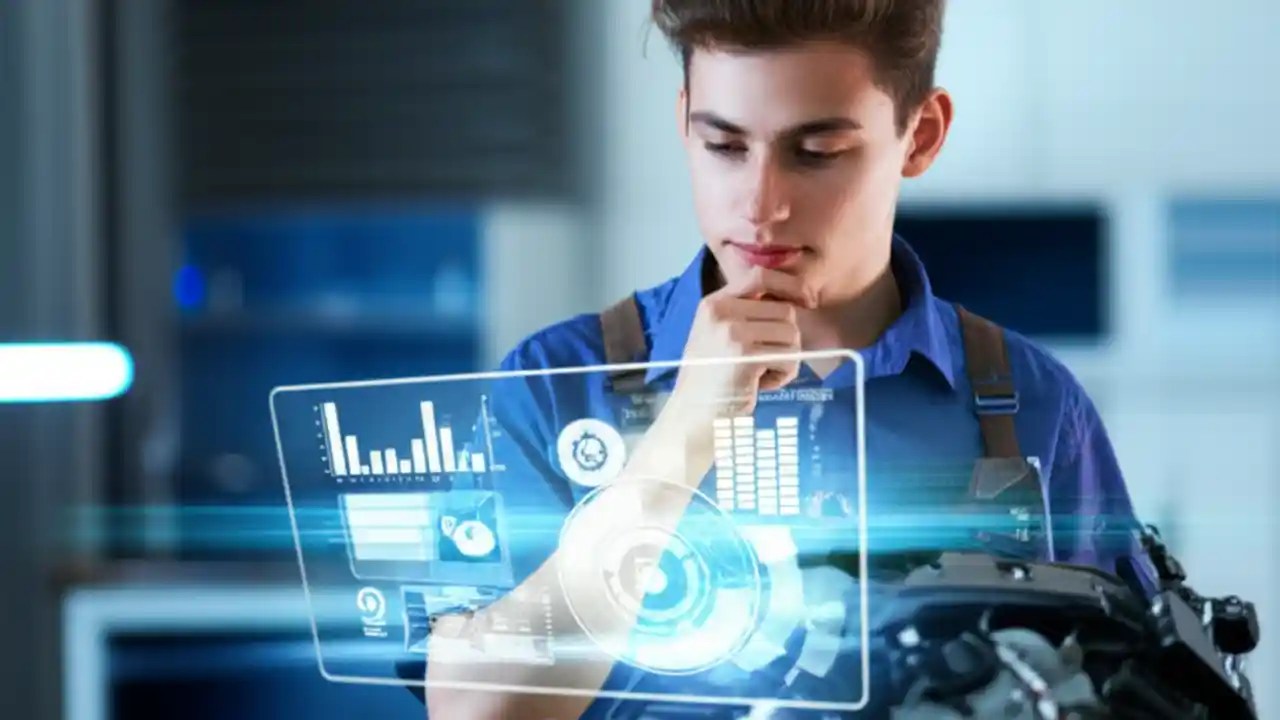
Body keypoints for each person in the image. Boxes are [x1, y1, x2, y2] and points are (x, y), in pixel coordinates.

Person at [425, 1, 1153, 718]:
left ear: (921, 135)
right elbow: (472, 710)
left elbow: (1131, 690)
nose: (760, 204)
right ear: (684, 120)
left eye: (816, 153)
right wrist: (682, 435)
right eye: (724, 146)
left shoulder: (1034, 406)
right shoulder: (556, 387)